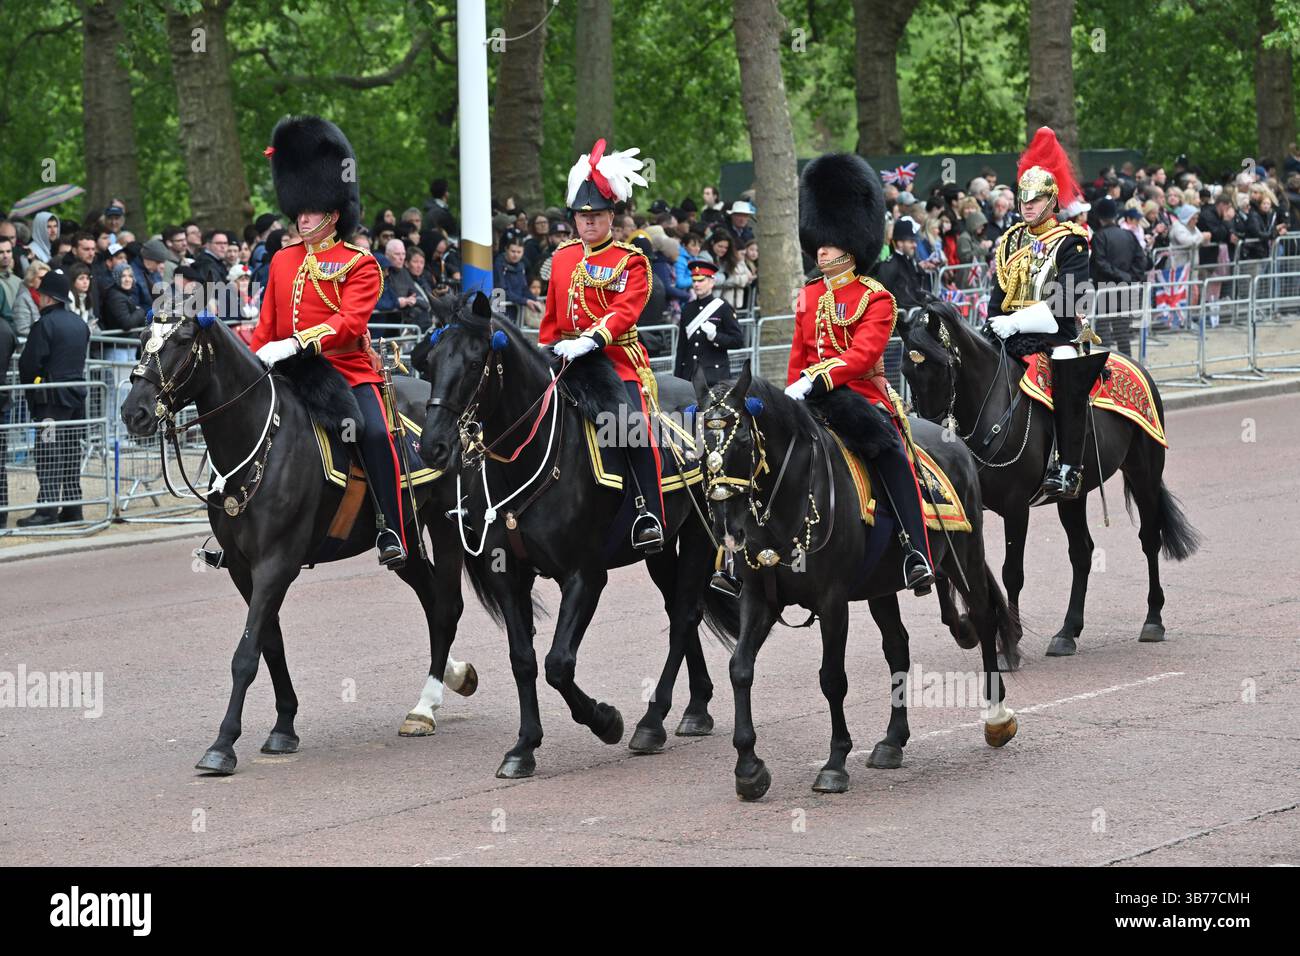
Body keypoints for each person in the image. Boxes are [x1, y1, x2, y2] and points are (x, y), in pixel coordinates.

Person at [250, 115, 408, 569]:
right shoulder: (282, 260)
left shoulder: (360, 263)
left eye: (310, 210)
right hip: (289, 372)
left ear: (333, 213)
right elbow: (267, 323)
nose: (301, 217)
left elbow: (348, 323)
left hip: (346, 371)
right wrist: (257, 356)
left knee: (374, 434)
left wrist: (298, 344)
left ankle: (391, 528)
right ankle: (234, 524)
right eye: (297, 210)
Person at [784, 152, 934, 595]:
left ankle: (915, 550)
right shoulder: (809, 296)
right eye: (818, 242)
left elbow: (861, 356)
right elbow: (798, 354)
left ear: (851, 243)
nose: (820, 249)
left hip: (862, 397)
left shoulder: (877, 297)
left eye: (828, 243)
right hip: (811, 399)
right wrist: (795, 388)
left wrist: (819, 379)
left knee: (890, 456)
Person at [539, 138, 665, 553]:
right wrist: (548, 350)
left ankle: (649, 512)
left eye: (596, 215)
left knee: (629, 428)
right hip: (564, 359)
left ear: (611, 216)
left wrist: (592, 338)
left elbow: (625, 310)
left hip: (615, 360)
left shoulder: (630, 260)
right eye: (581, 215)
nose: (588, 222)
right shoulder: (561, 258)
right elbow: (551, 318)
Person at [986, 126, 1105, 502]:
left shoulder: (1072, 242)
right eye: (1023, 198)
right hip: (1011, 330)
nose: (1027, 205)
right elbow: (1000, 292)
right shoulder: (1010, 241)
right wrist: (995, 321)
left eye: (1036, 199)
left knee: (1067, 371)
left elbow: (1065, 304)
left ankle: (1069, 467)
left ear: (1052, 201)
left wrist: (1017, 321)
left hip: (1058, 333)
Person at [16, 269, 90, 527]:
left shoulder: (44, 324)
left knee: (48, 453)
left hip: (50, 400)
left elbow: (29, 363)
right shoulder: (79, 323)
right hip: (76, 397)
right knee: (71, 452)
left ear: (48, 297)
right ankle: (73, 509)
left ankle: (47, 510)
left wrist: (31, 390)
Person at [1089, 198, 1146, 353]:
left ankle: (1105, 369)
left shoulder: (1099, 237)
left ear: (1099, 217)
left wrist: (1123, 276)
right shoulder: (1128, 235)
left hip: (1105, 290)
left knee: (1104, 334)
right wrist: (1130, 277)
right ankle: (1127, 370)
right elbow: (1141, 260)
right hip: (1125, 288)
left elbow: (1100, 263)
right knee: (1122, 335)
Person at [674, 259, 743, 385]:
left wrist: (715, 337)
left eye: (701, 280)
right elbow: (682, 347)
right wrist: (678, 378)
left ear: (711, 282)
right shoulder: (687, 309)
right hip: (690, 376)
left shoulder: (722, 307)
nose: (696, 284)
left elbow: (738, 341)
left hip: (714, 377)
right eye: (694, 281)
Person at [872, 216, 931, 312]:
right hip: (902, 320)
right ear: (899, 243)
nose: (915, 245)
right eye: (911, 241)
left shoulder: (912, 262)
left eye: (915, 241)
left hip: (916, 316)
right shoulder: (889, 266)